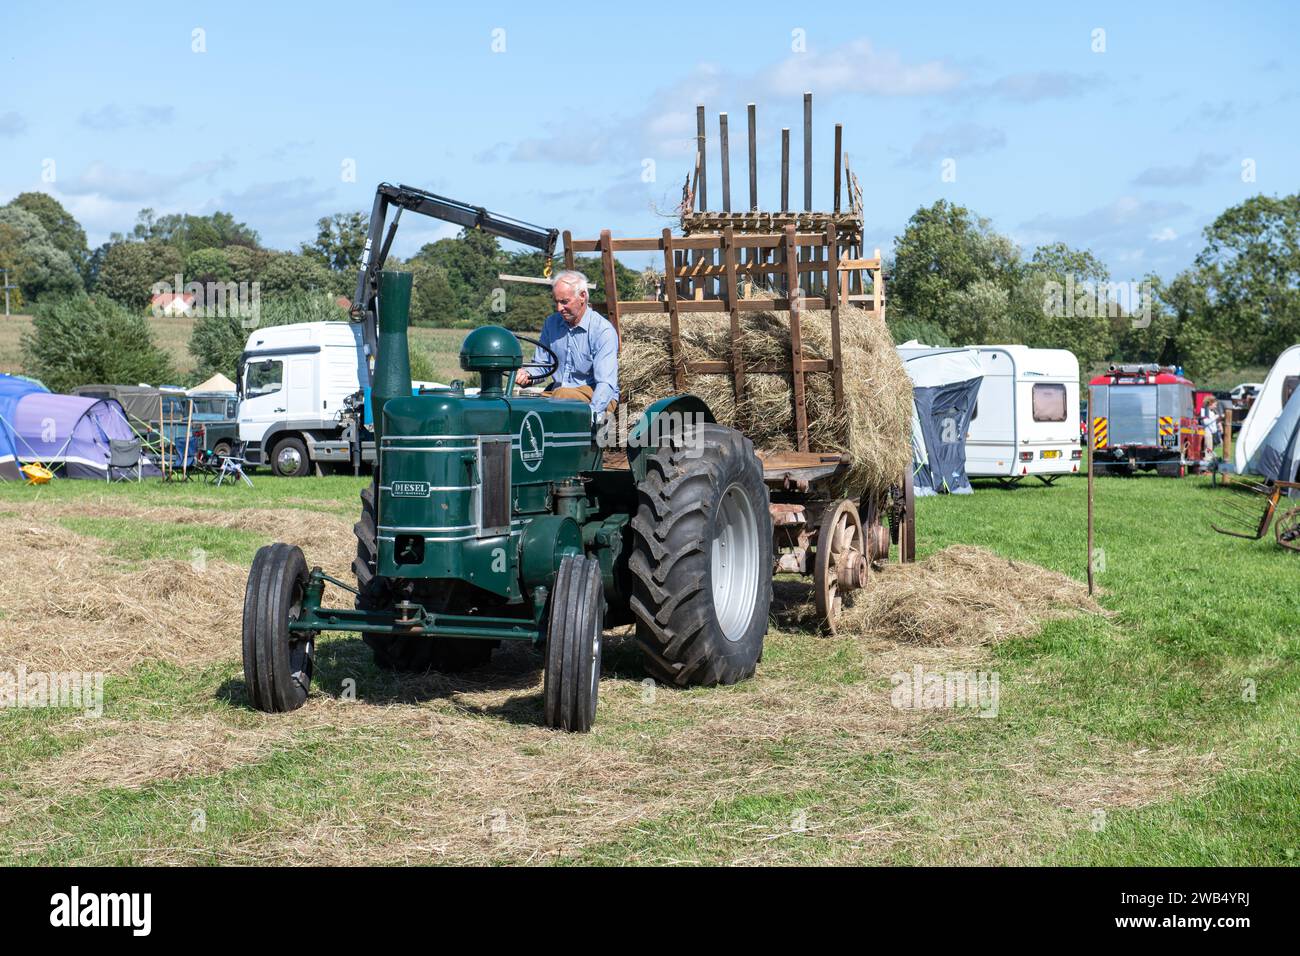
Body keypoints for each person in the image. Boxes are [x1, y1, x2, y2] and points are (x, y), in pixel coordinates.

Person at [514, 270, 619, 419]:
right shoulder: (551, 323)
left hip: (598, 396)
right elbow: (542, 365)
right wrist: (527, 375)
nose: (559, 308)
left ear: (582, 296)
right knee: (523, 406)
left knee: (561, 394)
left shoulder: (602, 331)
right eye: (556, 302)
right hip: (560, 395)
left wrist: (592, 415)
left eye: (564, 302)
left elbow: (606, 384)